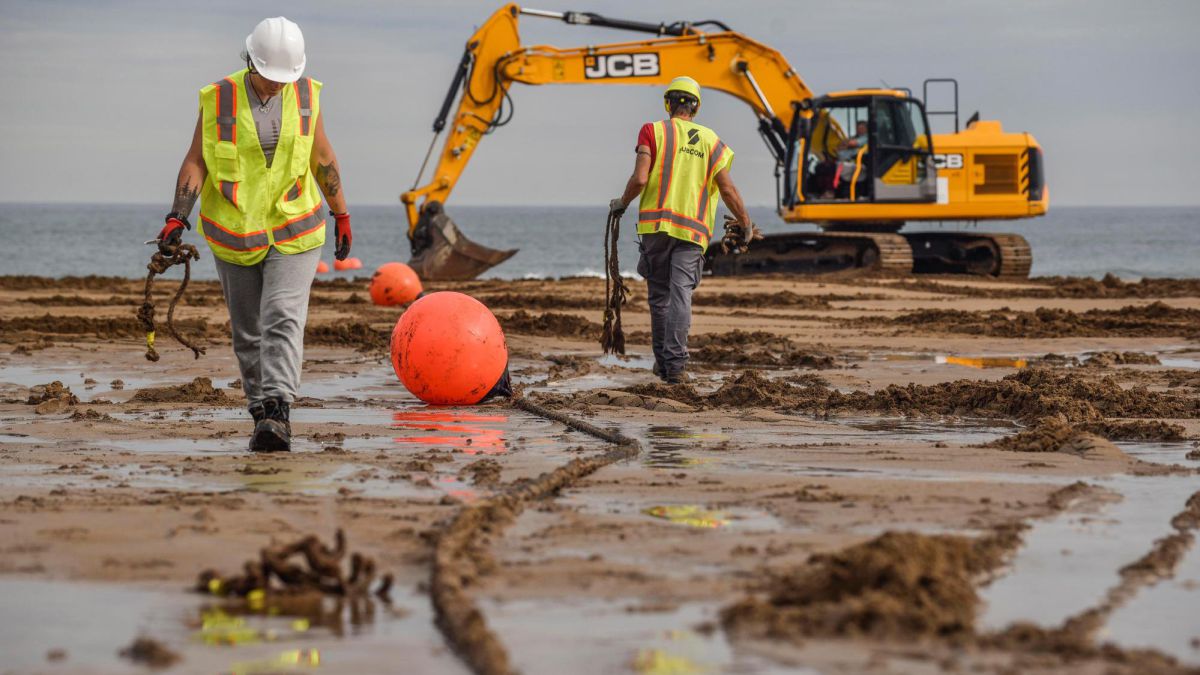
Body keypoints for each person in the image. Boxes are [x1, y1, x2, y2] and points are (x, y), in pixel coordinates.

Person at [155, 17, 352, 452]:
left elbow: (321, 155)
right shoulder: (218, 98)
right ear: (250, 61)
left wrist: (341, 212)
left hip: (296, 228)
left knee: (282, 314)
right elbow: (197, 161)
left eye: (286, 77)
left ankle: (279, 410)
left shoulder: (306, 94)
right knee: (248, 332)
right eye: (270, 76)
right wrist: (177, 216)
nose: (278, 84)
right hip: (235, 233)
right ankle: (261, 413)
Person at [609, 76, 753, 384]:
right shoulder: (711, 141)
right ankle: (675, 367)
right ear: (696, 107)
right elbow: (727, 189)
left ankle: (664, 365)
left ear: (668, 103)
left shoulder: (652, 131)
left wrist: (622, 203)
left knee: (660, 297)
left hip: (655, 229)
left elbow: (640, 179)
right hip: (693, 232)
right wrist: (745, 223)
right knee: (681, 295)